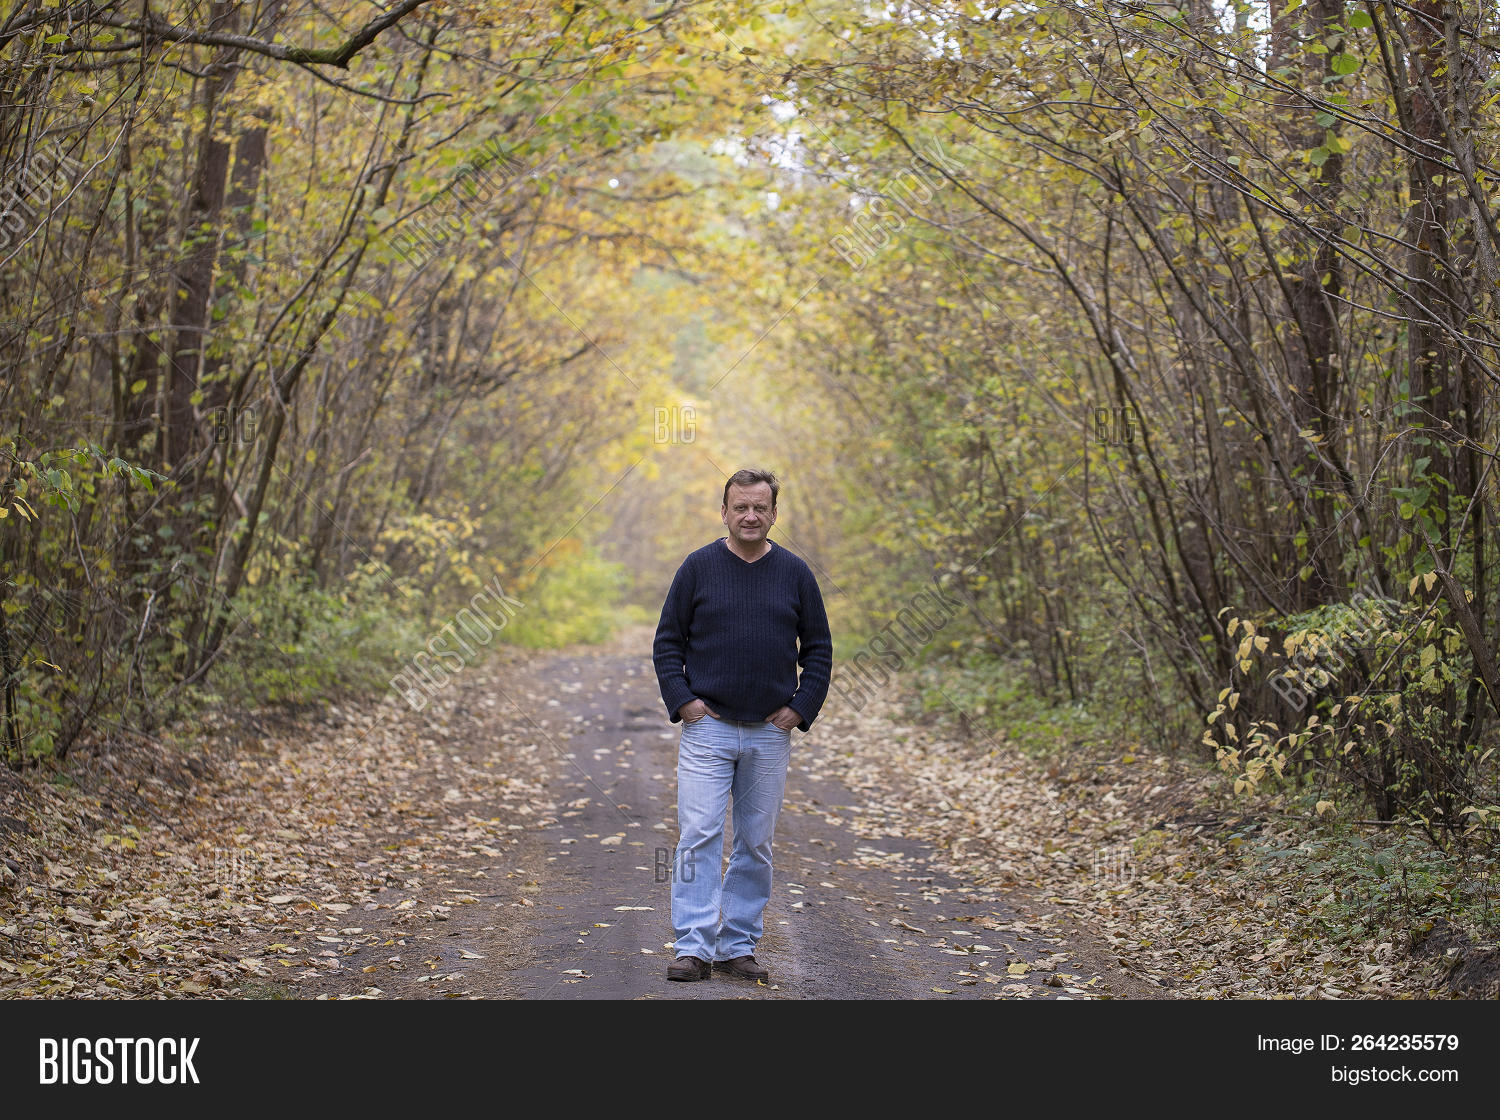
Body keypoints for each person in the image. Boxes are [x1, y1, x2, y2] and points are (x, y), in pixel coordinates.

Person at [652, 468, 833, 983]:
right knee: (700, 834)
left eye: (760, 508)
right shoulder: (697, 568)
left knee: (755, 843)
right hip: (707, 729)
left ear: (774, 514)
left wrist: (800, 708)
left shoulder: (796, 573)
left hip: (769, 735)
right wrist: (683, 701)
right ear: (724, 511)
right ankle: (693, 946)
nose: (750, 516)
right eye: (740, 507)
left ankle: (737, 946)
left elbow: (818, 649)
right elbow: (668, 643)